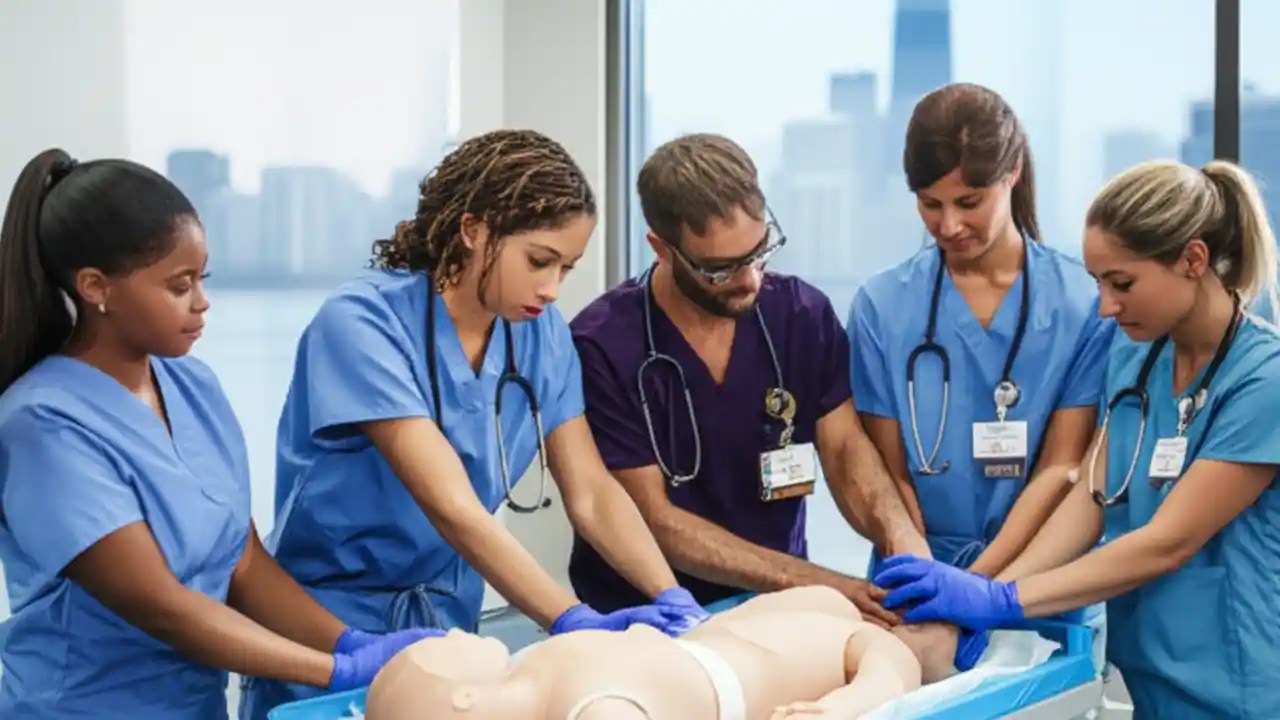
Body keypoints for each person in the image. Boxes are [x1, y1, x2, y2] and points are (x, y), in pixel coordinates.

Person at [241, 130, 706, 719]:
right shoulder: (362, 325)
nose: (551, 288)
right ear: (474, 231)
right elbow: (452, 506)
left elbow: (590, 492)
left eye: (566, 267)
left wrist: (670, 596)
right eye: (539, 261)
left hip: (447, 635)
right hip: (330, 629)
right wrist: (568, 618)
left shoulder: (541, 334)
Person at [0, 150, 440, 719]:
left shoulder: (192, 385)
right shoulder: (43, 425)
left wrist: (349, 641)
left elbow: (243, 563)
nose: (202, 303)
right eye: (178, 285)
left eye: (201, 280)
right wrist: (336, 671)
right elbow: (161, 606)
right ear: (94, 287)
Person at [874, 158, 1280, 719]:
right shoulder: (1138, 355)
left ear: (1193, 259)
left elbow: (1168, 542)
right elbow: (1091, 496)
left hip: (1242, 689)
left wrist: (1002, 600)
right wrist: (989, 598)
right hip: (1151, 679)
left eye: (1123, 284)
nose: (1107, 307)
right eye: (1097, 283)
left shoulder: (1264, 380)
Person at [567, 133, 931, 631]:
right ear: (662, 248)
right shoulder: (603, 346)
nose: (750, 280)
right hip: (649, 619)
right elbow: (652, 516)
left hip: (780, 609)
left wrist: (899, 537)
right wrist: (815, 583)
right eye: (719, 269)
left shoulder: (800, 316)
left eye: (759, 251)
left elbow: (846, 451)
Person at [849, 83, 1115, 578]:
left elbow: (1064, 467)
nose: (948, 225)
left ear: (1012, 173)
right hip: (916, 572)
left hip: (1038, 574)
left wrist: (977, 587)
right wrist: (930, 577)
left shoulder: (1083, 303)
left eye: (969, 202)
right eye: (930, 204)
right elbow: (889, 475)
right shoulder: (880, 307)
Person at [365, 585, 928, 720]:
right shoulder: (590, 704)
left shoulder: (851, 634)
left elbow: (894, 667)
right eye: (444, 647)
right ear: (465, 697)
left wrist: (852, 700)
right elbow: (894, 666)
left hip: (704, 655)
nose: (450, 632)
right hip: (704, 659)